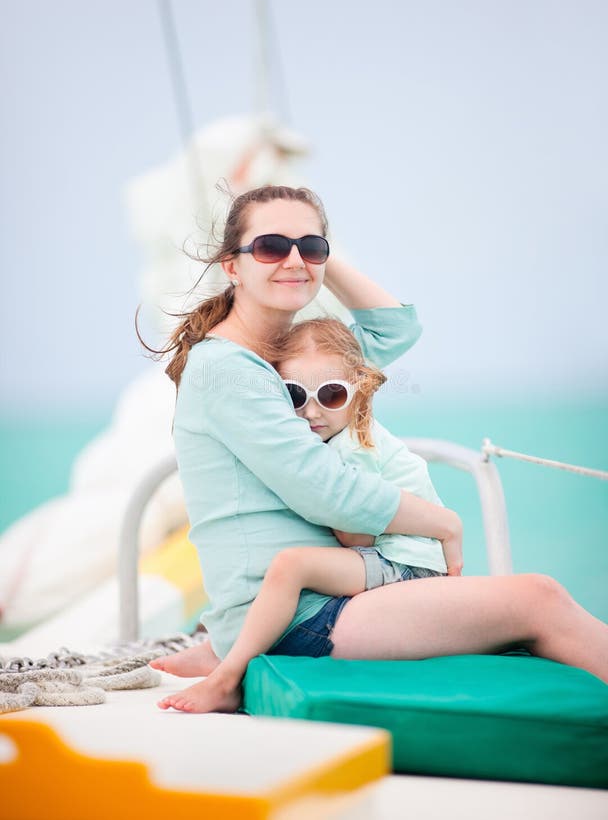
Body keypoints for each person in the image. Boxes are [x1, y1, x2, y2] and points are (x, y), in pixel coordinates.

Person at [146, 184, 608, 713]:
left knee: (530, 605)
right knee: (538, 600)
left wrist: (307, 261)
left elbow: (395, 328)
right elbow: (327, 494)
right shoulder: (227, 369)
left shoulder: (285, 353)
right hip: (295, 616)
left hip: (332, 592)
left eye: (311, 247)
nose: (294, 259)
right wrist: (444, 524)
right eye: (271, 246)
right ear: (232, 266)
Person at [156, 316, 451, 712]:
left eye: (331, 395)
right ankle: (222, 646)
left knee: (291, 567)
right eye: (294, 396)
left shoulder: (351, 448)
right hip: (394, 558)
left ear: (358, 392)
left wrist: (314, 497)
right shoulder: (336, 438)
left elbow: (356, 535)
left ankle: (228, 673)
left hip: (408, 564)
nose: (312, 411)